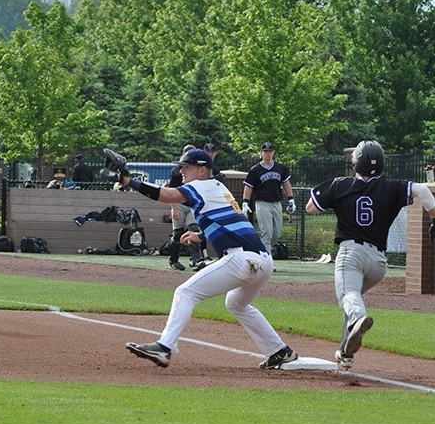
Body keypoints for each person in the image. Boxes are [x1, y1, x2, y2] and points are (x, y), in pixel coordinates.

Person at [106, 148, 298, 369]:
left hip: (241, 259)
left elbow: (167, 195)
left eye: (186, 167)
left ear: (202, 170)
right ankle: (279, 351)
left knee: (185, 293)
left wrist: (129, 180)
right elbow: (230, 222)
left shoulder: (201, 185)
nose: (181, 171)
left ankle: (164, 347)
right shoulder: (218, 187)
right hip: (263, 262)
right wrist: (200, 235)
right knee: (236, 303)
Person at [305, 140, 435, 370]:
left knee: (348, 296)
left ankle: (359, 319)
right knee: (353, 297)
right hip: (378, 263)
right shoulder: (391, 187)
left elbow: (311, 208)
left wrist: (334, 198)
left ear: (355, 163)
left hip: (351, 254)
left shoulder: (341, 185)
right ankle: (345, 353)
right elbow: (422, 190)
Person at [242, 142, 295, 254]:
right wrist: (245, 202)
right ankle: (267, 259)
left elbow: (286, 183)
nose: (268, 153)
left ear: (273, 153)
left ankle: (260, 251)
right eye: (265, 151)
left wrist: (291, 199)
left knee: (277, 233)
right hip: (262, 203)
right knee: (266, 233)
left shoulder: (280, 168)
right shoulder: (255, 170)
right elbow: (248, 187)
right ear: (261, 153)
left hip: (277, 203)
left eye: (270, 151)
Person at [166, 145, 208, 271]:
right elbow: (170, 191)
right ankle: (173, 260)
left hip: (191, 204)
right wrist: (174, 208)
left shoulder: (198, 172)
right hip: (179, 203)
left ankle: (196, 260)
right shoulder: (176, 172)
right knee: (178, 233)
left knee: (194, 229)